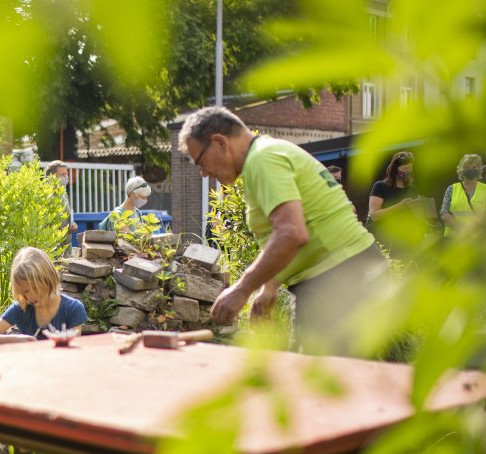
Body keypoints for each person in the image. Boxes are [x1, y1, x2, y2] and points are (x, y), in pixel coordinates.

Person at [177, 106, 386, 356]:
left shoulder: (263, 160)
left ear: (219, 142)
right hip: (348, 274)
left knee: (319, 385)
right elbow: (306, 224)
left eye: (199, 161)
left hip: (340, 280)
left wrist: (242, 289)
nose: (203, 173)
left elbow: (291, 232)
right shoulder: (269, 153)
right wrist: (270, 286)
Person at [0, 247, 88, 345]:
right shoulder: (22, 308)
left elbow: (74, 352)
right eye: (26, 291)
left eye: (36, 288)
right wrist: (15, 339)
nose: (32, 296)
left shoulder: (73, 309)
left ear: (48, 278)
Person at [439, 154, 486, 237]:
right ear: (461, 170)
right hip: (453, 237)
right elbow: (444, 213)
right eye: (467, 167)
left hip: (477, 237)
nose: (471, 170)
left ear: (479, 170)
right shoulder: (451, 189)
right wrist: (459, 228)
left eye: (474, 167)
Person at [367, 151, 420, 225]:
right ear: (395, 170)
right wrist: (400, 206)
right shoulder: (380, 186)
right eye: (404, 169)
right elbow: (374, 215)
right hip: (382, 233)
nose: (407, 172)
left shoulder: (413, 189)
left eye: (410, 168)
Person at [45, 161, 77, 244]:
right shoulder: (46, 196)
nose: (66, 177)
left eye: (67, 174)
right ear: (52, 176)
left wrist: (72, 224)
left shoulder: (63, 193)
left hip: (66, 245)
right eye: (62, 175)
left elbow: (68, 214)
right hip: (52, 247)